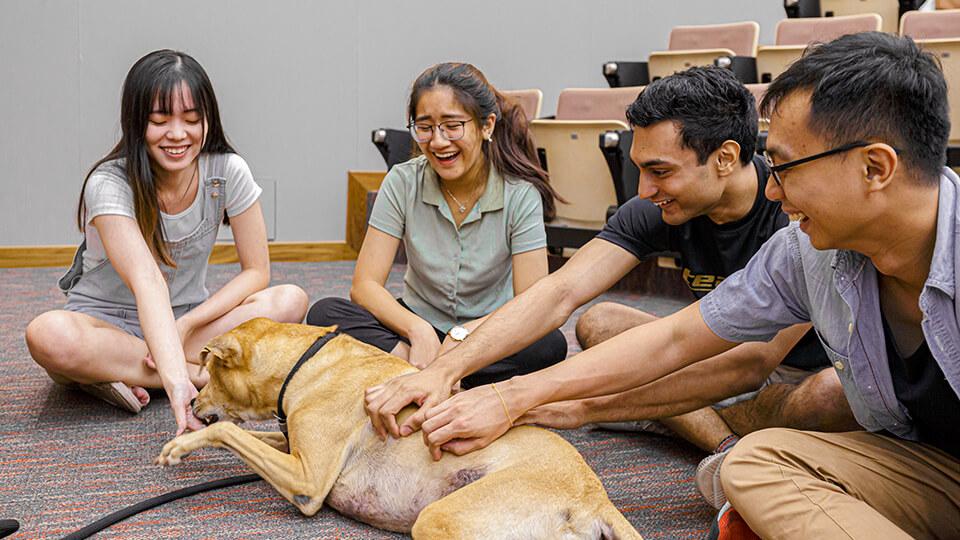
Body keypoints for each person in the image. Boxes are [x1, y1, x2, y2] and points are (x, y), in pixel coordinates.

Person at [391, 33, 960, 538]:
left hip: (790, 381)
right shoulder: (807, 250)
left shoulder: (801, 230)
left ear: (875, 168)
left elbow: (744, 365)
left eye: (785, 166)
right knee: (749, 465)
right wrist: (479, 382)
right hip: (922, 455)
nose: (773, 190)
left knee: (814, 399)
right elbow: (665, 337)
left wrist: (561, 403)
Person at [364, 66, 855, 506]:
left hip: (786, 373)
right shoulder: (659, 205)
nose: (642, 190)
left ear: (725, 157)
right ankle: (702, 425)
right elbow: (560, 293)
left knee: (830, 396)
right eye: (640, 168)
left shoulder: (795, 219)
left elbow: (750, 363)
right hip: (712, 354)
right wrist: (446, 370)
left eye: (659, 171)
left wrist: (550, 404)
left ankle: (696, 426)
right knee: (600, 322)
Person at [25, 50, 309, 435]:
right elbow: (148, 281)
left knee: (290, 300)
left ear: (209, 119)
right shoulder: (109, 183)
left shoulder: (227, 171)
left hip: (188, 324)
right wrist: (181, 385)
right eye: (160, 121)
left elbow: (257, 272)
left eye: (192, 120)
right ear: (136, 122)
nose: (178, 134)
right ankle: (204, 375)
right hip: (108, 326)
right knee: (48, 336)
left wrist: (188, 324)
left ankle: (117, 374)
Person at [306, 62, 566, 388]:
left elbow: (532, 303)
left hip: (485, 334)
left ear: (486, 126)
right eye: (425, 127)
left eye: (453, 126)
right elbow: (365, 285)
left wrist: (461, 339)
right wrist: (418, 330)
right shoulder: (402, 181)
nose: (438, 141)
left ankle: (417, 373)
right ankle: (446, 379)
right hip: (416, 327)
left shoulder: (519, 195)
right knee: (325, 314)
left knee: (550, 344)